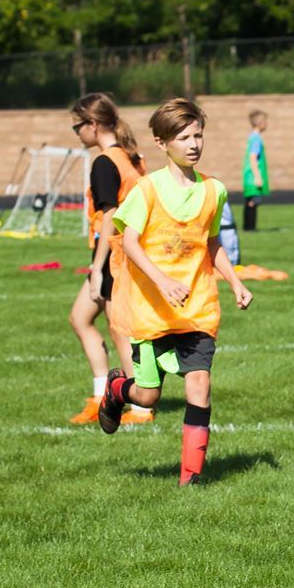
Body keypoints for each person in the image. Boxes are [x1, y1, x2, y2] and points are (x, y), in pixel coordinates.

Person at [97, 98, 254, 486]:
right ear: (161, 142)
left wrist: (234, 282)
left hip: (197, 308)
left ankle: (191, 479)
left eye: (198, 135)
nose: (193, 144)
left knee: (199, 383)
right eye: (183, 137)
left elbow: (212, 243)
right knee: (148, 396)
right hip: (152, 310)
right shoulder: (147, 190)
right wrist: (162, 281)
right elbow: (129, 241)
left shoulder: (213, 191)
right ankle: (118, 389)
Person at [68, 93, 150, 425]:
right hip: (126, 251)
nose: (77, 134)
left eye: (78, 127)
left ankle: (141, 408)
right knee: (80, 318)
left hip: (114, 254)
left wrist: (97, 268)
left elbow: (109, 215)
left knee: (120, 331)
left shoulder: (105, 161)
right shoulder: (132, 157)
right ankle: (103, 396)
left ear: (93, 124)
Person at [242, 110, 269, 232]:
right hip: (252, 176)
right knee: (254, 201)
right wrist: (257, 177)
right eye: (265, 121)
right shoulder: (256, 138)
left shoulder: (252, 137)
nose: (267, 124)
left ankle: (248, 227)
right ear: (260, 123)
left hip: (249, 175)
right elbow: (253, 157)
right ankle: (250, 227)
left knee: (251, 201)